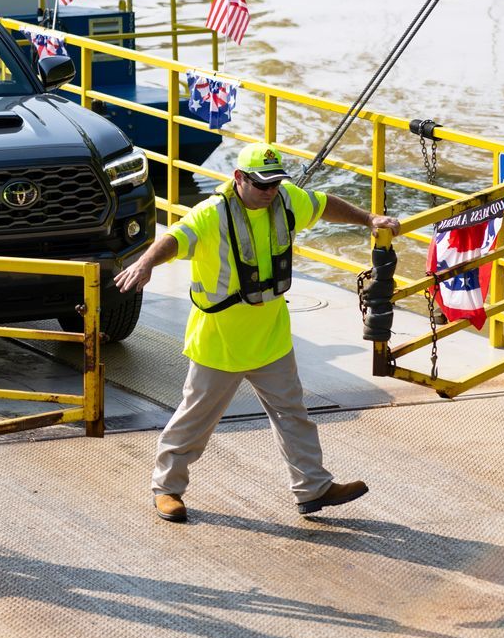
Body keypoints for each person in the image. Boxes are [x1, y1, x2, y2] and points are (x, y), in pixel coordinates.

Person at [112, 142, 398, 523]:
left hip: (270, 337)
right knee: (195, 419)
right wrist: (146, 263)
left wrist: (368, 219)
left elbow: (322, 203)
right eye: (262, 184)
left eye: (276, 183)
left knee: (293, 413)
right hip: (221, 341)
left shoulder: (284, 200)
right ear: (239, 178)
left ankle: (312, 488)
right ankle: (167, 489)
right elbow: (175, 239)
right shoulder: (211, 213)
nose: (270, 191)